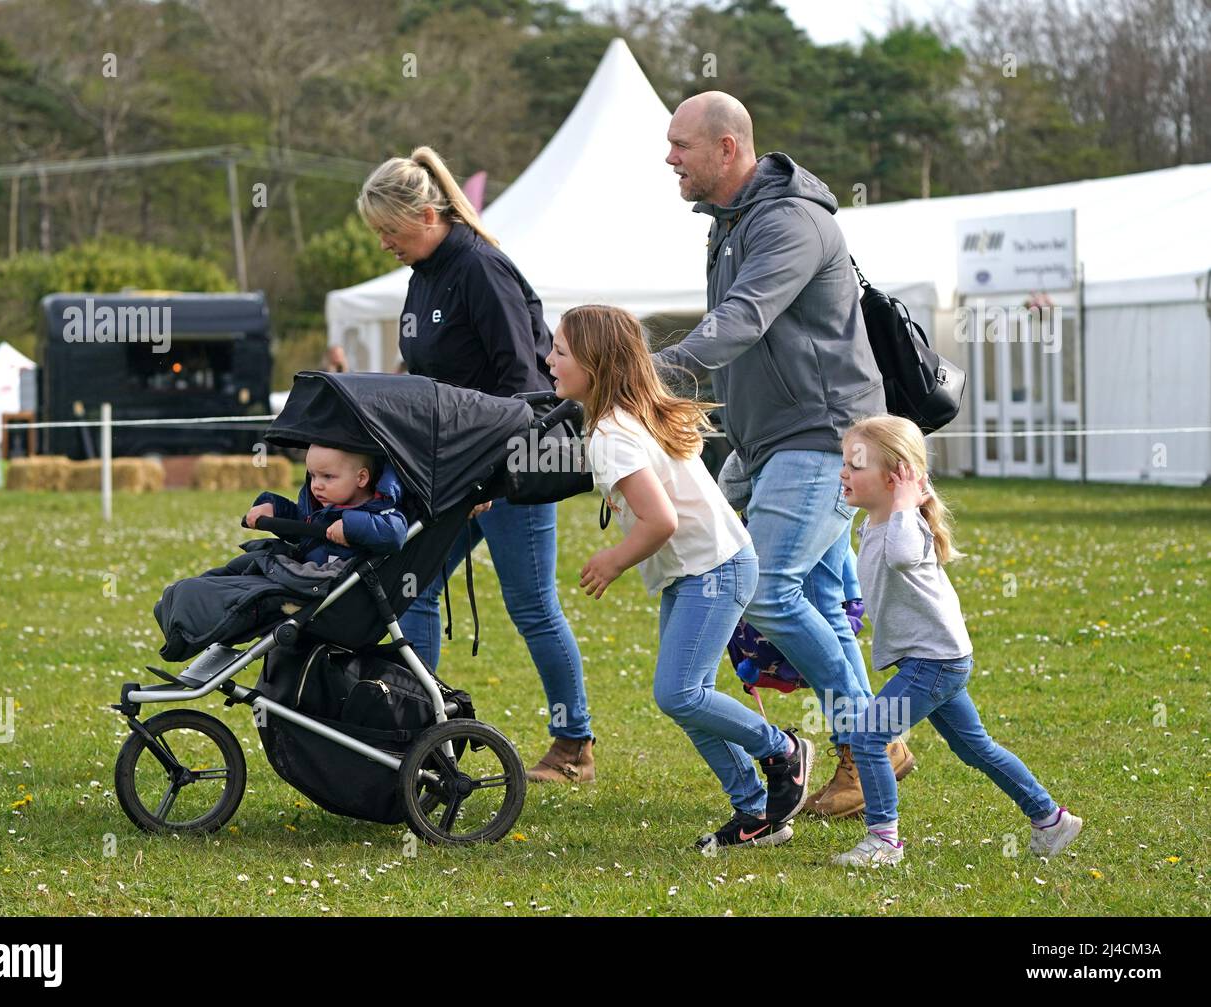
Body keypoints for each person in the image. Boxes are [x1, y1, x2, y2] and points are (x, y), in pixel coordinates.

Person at [654, 90, 914, 817]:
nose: (668, 158)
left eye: (681, 145)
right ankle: (873, 754)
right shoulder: (730, 222)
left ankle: (869, 744)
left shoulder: (789, 221)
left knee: (769, 593)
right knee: (824, 605)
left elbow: (740, 319)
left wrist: (648, 373)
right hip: (767, 443)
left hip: (825, 440)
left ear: (727, 149)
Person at [357, 146, 592, 783]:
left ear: (429, 215)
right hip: (448, 469)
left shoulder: (483, 269)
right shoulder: (423, 272)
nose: (385, 243)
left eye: (391, 230)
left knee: (533, 604)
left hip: (508, 468)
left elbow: (522, 382)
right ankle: (424, 732)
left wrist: (490, 471)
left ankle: (574, 745)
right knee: (414, 592)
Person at [549, 304, 814, 849]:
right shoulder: (624, 415)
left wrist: (614, 560)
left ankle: (783, 752)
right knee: (687, 698)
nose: (548, 359)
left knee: (680, 693)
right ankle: (757, 811)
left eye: (560, 352)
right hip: (700, 570)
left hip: (713, 569)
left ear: (594, 364)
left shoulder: (612, 433)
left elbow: (660, 521)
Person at [834, 415, 1083, 865]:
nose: (843, 473)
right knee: (975, 747)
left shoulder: (907, 528)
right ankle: (1050, 818)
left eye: (855, 464)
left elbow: (903, 555)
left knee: (868, 736)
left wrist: (907, 503)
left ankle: (884, 843)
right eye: (844, 463)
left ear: (894, 478)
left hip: (933, 662)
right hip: (935, 659)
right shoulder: (872, 523)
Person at [245, 445, 405, 566]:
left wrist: (350, 526)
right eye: (312, 476)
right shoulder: (318, 510)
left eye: (327, 476)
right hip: (308, 580)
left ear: (361, 478)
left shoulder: (381, 510)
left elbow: (395, 533)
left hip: (343, 595)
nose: (316, 485)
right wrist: (272, 508)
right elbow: (301, 525)